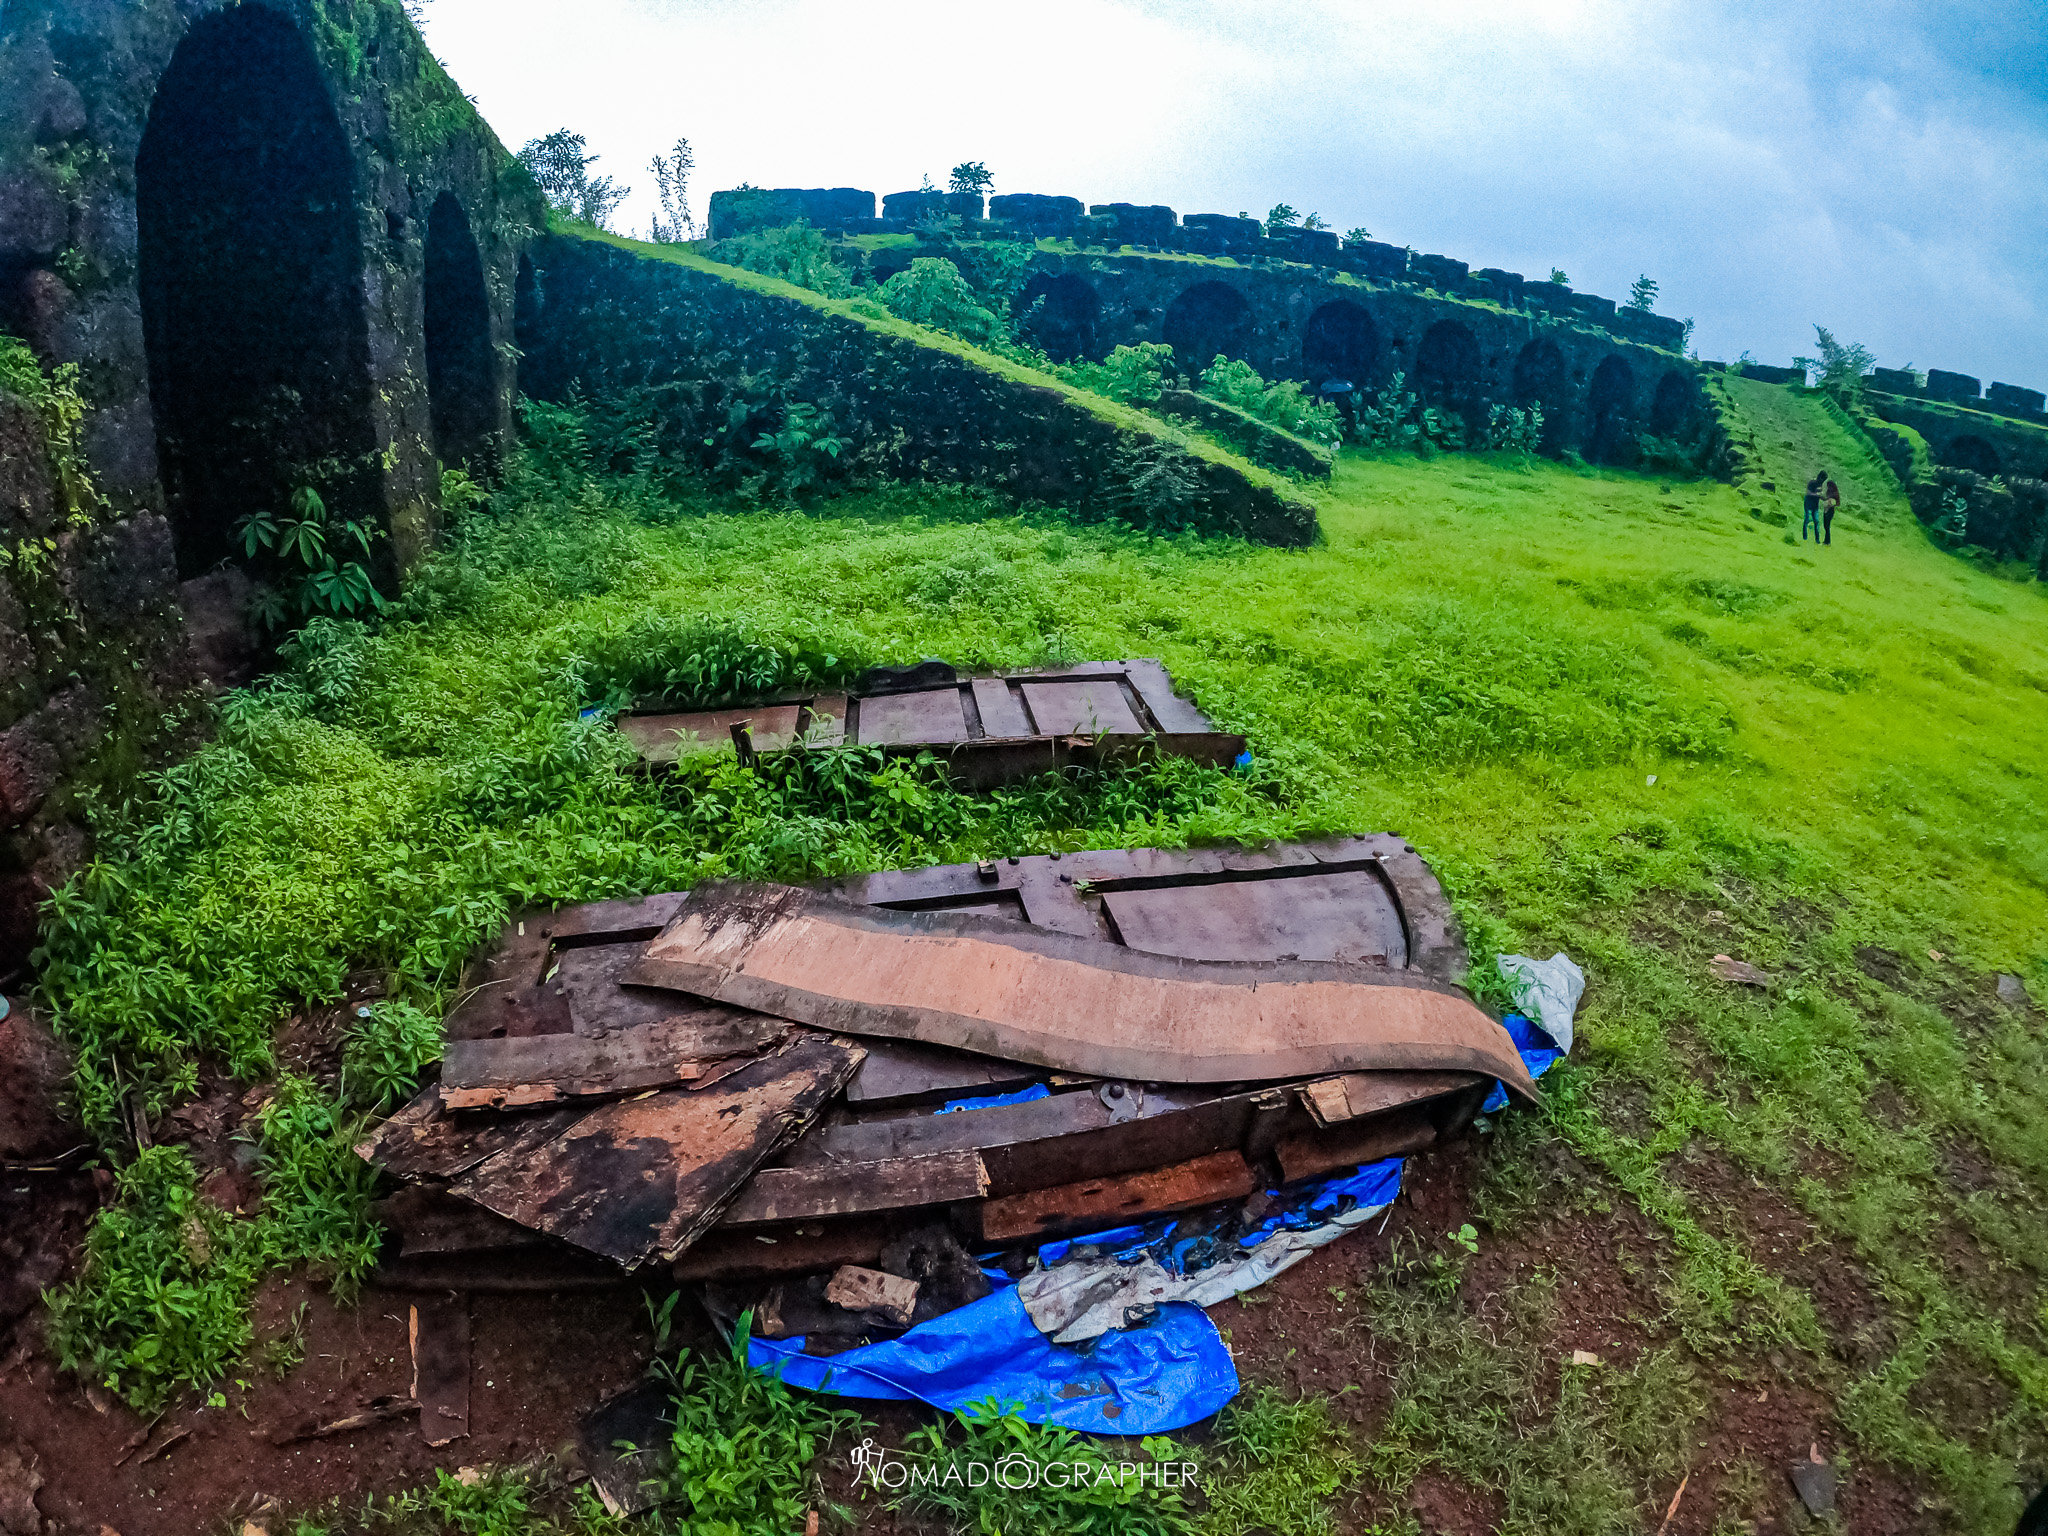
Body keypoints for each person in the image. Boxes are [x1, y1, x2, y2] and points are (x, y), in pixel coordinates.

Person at [1802, 471, 1826, 541]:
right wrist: (1818, 495)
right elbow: (1808, 493)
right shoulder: (1812, 483)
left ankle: (1817, 539)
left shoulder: (1820, 485)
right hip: (1808, 504)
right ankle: (1805, 537)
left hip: (1815, 506)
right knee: (1807, 519)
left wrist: (1823, 498)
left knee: (1816, 521)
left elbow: (1819, 494)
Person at [1822, 478, 1841, 545]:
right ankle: (1826, 540)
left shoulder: (1835, 494)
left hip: (1830, 510)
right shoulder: (1829, 492)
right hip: (1826, 509)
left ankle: (1827, 541)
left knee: (1827, 526)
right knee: (1825, 525)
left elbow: (1837, 503)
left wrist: (1832, 503)